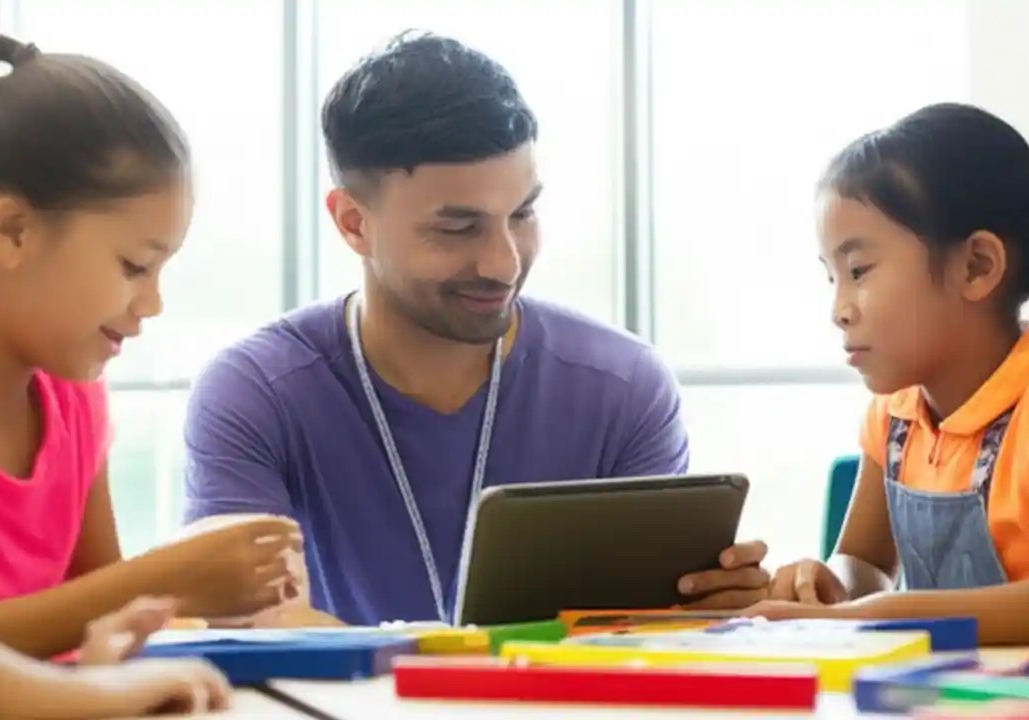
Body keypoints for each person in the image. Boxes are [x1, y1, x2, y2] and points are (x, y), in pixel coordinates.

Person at [183, 31, 770, 627]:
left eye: (522, 214)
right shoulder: (255, 392)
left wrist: (707, 610)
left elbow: (644, 636)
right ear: (354, 224)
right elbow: (250, 621)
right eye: (458, 228)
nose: (504, 263)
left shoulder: (625, 386)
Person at [0, 32, 304, 660]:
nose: (152, 304)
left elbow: (99, 617)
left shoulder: (75, 403)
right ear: (14, 231)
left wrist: (198, 605)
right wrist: (167, 580)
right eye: (135, 266)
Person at [746, 103, 1029, 646]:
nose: (839, 308)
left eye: (858, 271)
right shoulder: (895, 414)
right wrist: (830, 582)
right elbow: (864, 562)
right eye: (831, 276)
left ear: (977, 266)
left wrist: (881, 614)